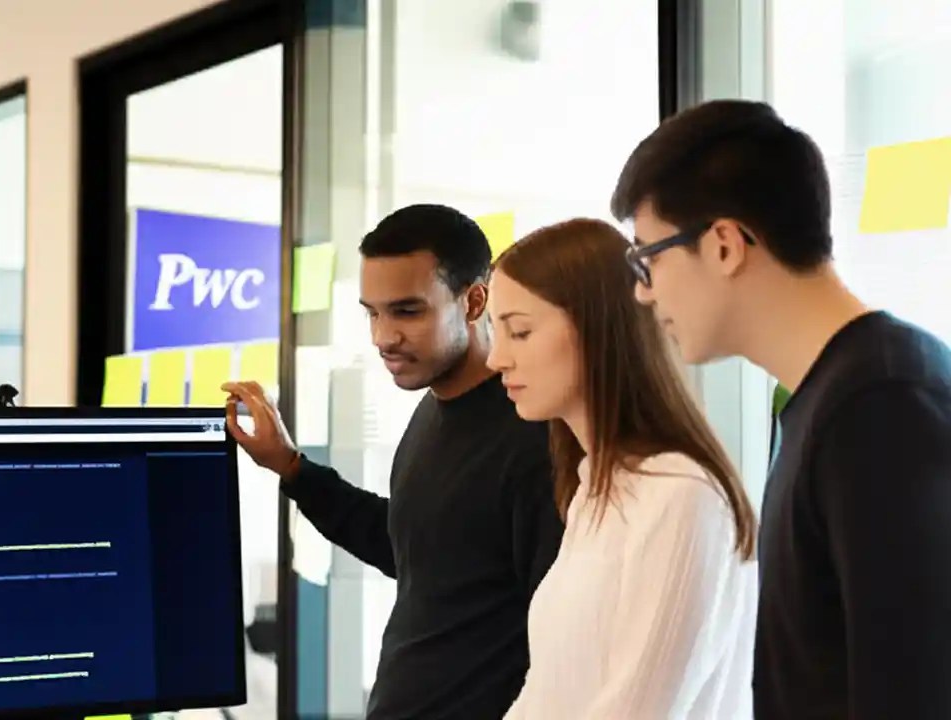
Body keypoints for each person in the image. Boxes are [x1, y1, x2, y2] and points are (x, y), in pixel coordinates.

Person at [612, 99, 951, 719]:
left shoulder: (881, 402)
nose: (643, 291)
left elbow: (913, 688)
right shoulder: (825, 395)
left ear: (723, 245)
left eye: (648, 258)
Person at [222, 204, 562, 720]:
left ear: (474, 302)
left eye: (407, 311)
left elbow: (561, 641)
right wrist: (291, 467)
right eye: (372, 313)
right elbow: (414, 551)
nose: (383, 337)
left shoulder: (531, 437)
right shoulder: (433, 410)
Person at [487, 218, 758, 718]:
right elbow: (545, 691)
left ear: (596, 328)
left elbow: (638, 707)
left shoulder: (680, 494)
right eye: (495, 333)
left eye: (519, 331)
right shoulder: (592, 488)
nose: (496, 358)